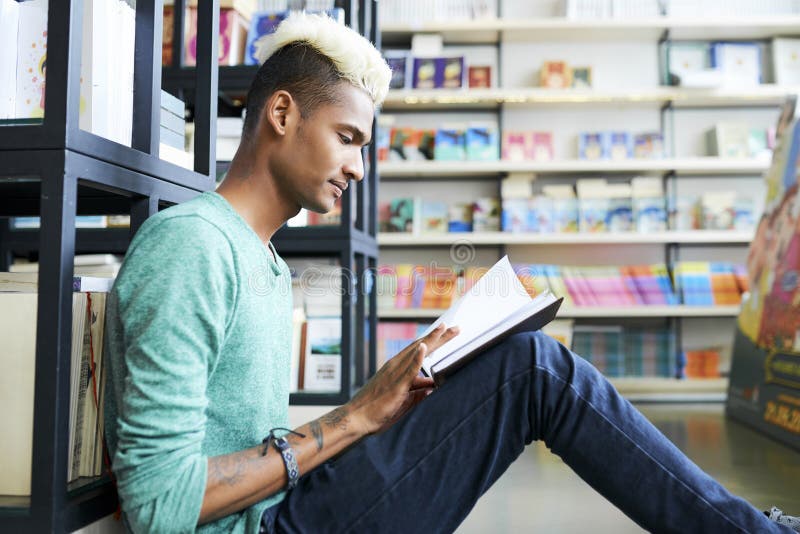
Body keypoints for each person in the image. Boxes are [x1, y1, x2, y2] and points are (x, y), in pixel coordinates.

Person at [103, 12, 800, 534]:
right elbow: (162, 506)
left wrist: (379, 412)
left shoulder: (264, 259)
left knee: (513, 361)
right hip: (274, 527)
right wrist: (352, 420)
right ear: (281, 113)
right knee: (534, 369)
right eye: (348, 139)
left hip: (287, 506)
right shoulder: (192, 248)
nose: (358, 166)